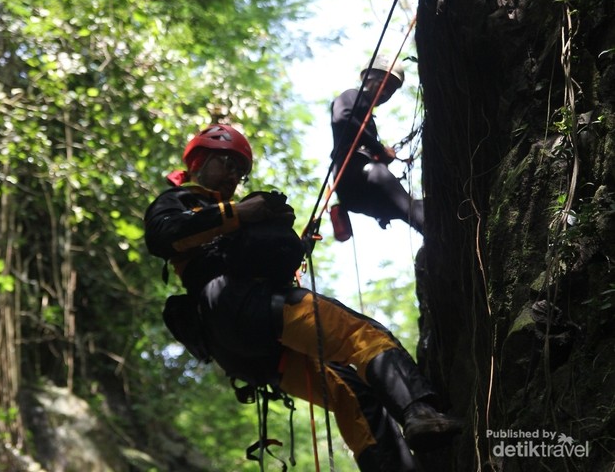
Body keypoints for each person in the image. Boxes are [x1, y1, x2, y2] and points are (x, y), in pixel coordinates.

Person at [143, 124, 461, 471]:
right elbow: (162, 234)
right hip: (238, 304)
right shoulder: (181, 200)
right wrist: (241, 215)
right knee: (361, 335)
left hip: (246, 346)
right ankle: (418, 410)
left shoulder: (225, 213)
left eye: (240, 172)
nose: (233, 175)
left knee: (349, 390)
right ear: (200, 160)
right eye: (226, 163)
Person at [330, 55, 424, 234]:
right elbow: (343, 118)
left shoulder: (368, 121)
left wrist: (379, 154)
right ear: (368, 78)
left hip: (362, 194)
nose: (386, 92)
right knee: (411, 209)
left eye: (392, 89)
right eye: (384, 83)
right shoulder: (351, 95)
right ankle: (437, 238)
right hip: (354, 176)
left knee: (416, 209)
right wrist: (379, 149)